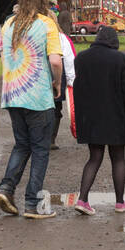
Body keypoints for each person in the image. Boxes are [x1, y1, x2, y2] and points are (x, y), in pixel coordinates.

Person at [0, 0, 63, 218]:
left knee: (22, 145)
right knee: (40, 149)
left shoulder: (9, 24)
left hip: (13, 94)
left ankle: (6, 188)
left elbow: (4, 57)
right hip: (38, 95)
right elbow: (55, 61)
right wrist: (56, 82)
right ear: (42, 1)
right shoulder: (46, 24)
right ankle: (32, 204)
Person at [72, 25, 125, 215]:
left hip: (91, 117)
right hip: (117, 116)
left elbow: (77, 87)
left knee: (94, 158)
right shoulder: (121, 60)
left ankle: (83, 199)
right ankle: (119, 202)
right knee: (118, 158)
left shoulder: (82, 58)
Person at [50, 10, 77, 151]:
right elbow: (69, 59)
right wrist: (72, 80)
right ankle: (50, 139)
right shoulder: (61, 38)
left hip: (38, 75)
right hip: (56, 74)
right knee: (55, 107)